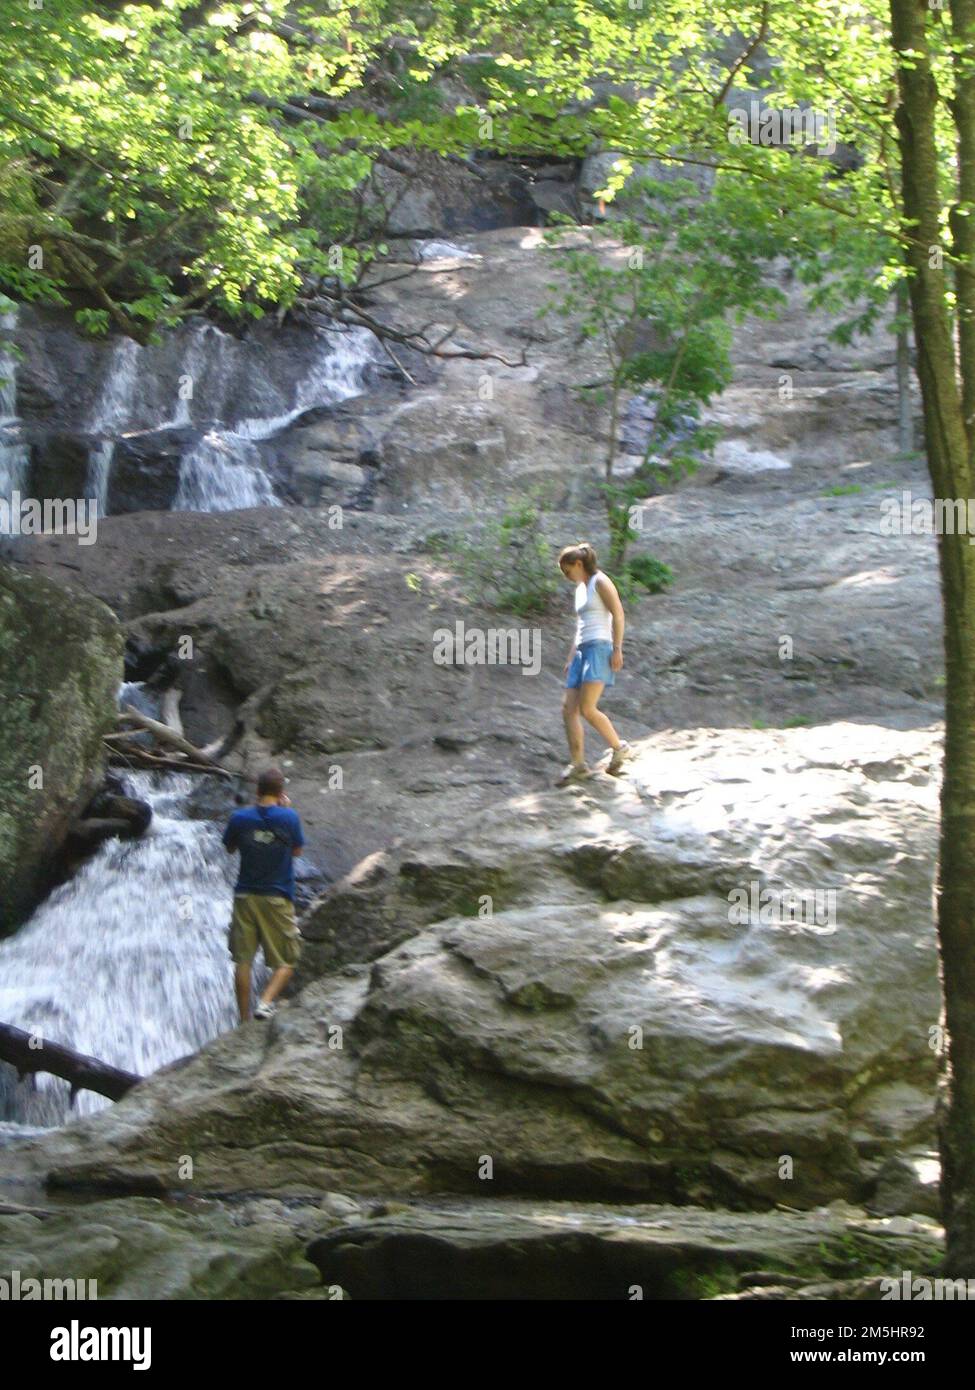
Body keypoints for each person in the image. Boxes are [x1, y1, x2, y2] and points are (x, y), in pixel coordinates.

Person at [222, 767, 305, 1022]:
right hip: (277, 896)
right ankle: (265, 1002)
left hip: (245, 896)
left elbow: (229, 848)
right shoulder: (289, 818)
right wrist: (285, 811)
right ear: (281, 793)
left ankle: (243, 1019)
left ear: (257, 791)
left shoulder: (240, 818)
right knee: (288, 960)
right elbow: (297, 852)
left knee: (243, 960)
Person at [557, 542, 632, 785]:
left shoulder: (600, 581)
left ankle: (618, 748)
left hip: (600, 648)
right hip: (581, 650)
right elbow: (580, 626)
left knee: (588, 709)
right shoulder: (580, 589)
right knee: (568, 709)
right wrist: (571, 656)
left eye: (568, 571)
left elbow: (618, 614)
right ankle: (578, 765)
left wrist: (617, 648)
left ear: (578, 564)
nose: (567, 577)